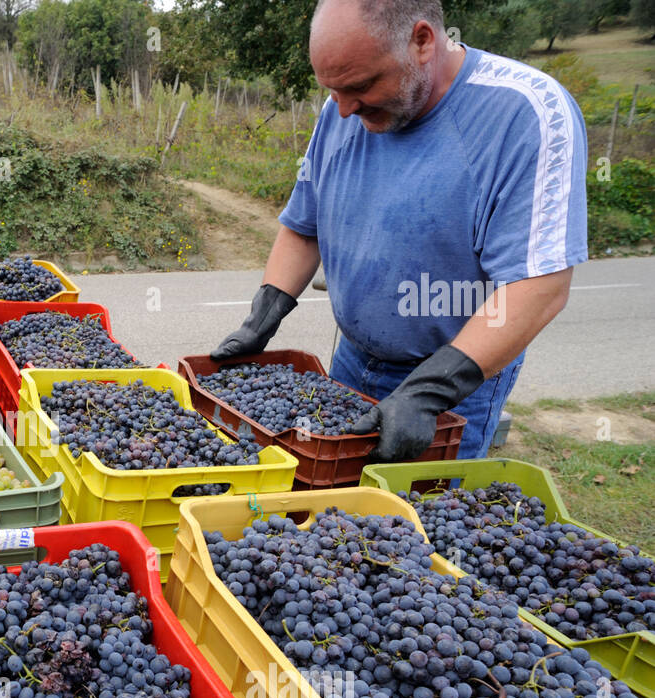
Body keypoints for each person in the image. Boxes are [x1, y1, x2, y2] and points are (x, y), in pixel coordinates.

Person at [209, 0, 588, 461]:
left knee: (415, 522)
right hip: (351, 362)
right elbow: (304, 228)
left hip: (455, 384)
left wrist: (427, 393)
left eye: (361, 86)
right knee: (334, 519)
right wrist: (263, 315)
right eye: (332, 91)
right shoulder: (344, 109)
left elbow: (538, 286)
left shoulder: (527, 112)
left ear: (423, 41)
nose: (344, 109)